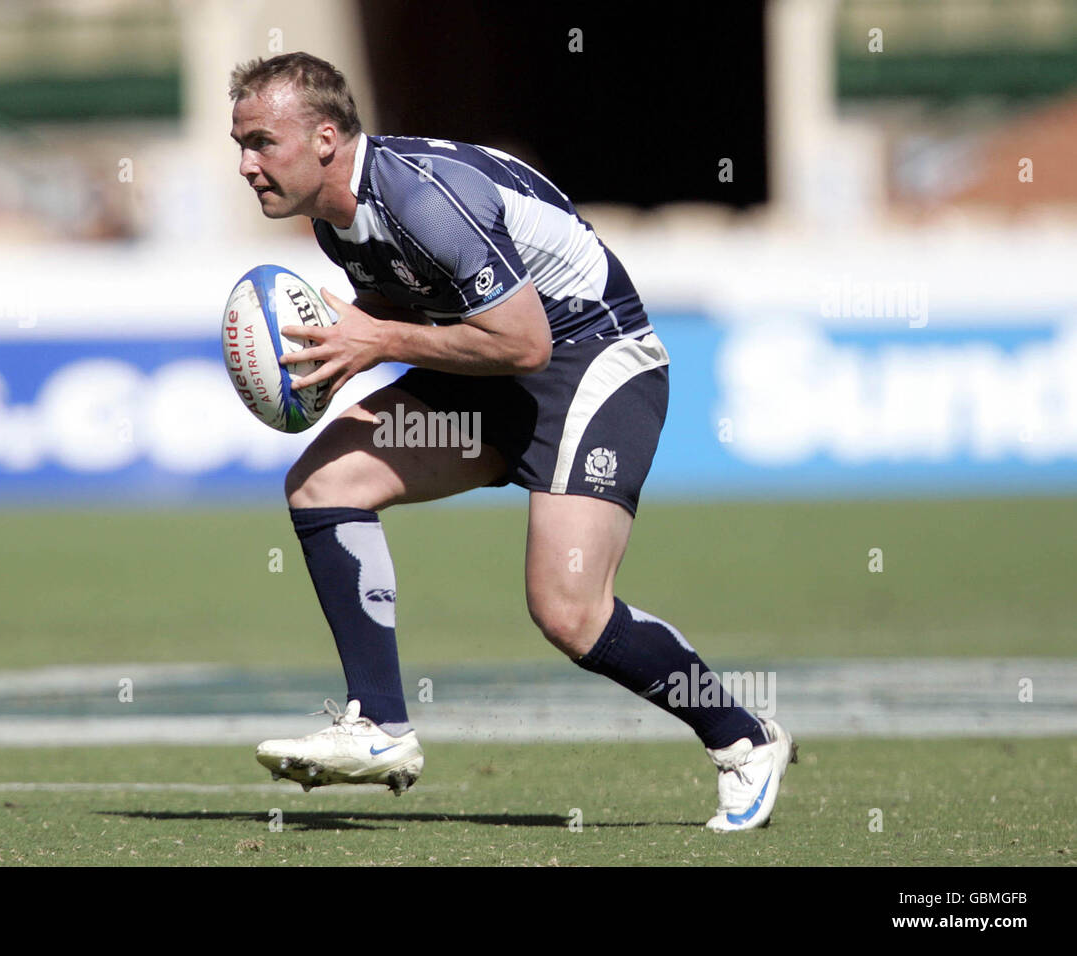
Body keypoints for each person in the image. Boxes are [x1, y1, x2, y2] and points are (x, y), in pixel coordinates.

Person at [228, 52, 795, 831]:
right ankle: (381, 727)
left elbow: (526, 344)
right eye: (241, 144)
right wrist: (342, 360)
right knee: (323, 483)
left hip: (592, 360)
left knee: (569, 612)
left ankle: (744, 737)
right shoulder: (332, 221)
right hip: (493, 372)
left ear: (326, 138)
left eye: (262, 142)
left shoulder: (422, 200)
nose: (247, 164)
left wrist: (376, 339)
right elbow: (424, 326)